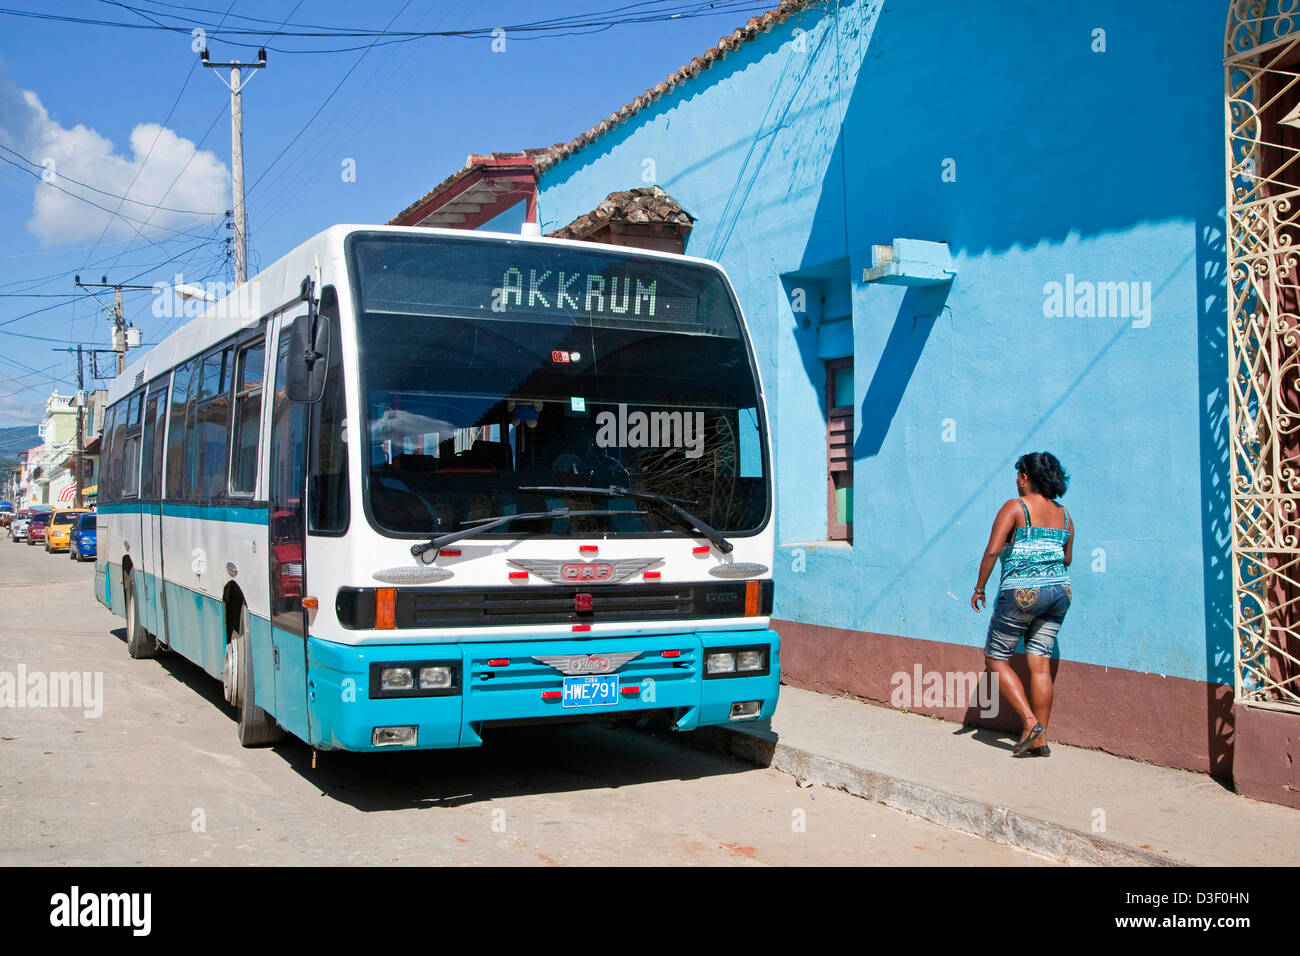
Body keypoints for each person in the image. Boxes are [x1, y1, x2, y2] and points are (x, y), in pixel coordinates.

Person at [971, 452, 1073, 757]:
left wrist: (979, 588)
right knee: (1039, 663)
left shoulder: (1015, 508)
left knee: (995, 658)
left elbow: (991, 552)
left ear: (1026, 477)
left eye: (1019, 475)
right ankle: (1040, 742)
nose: (1017, 481)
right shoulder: (1065, 515)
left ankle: (1030, 724)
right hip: (1059, 592)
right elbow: (1066, 558)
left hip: (1022, 591)